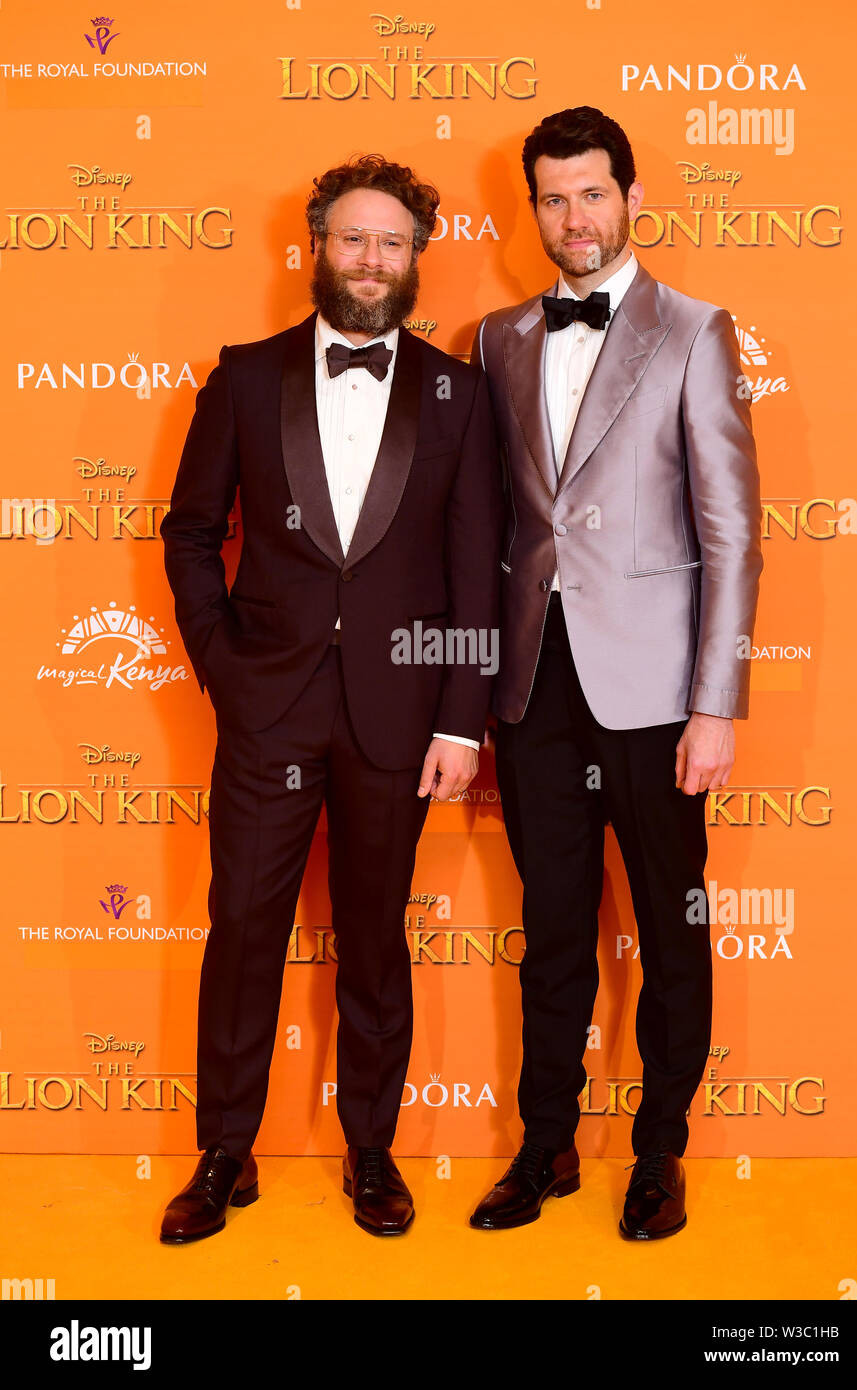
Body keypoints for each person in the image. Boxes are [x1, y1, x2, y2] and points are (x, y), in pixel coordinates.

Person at [158, 153, 502, 1242]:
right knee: (244, 927)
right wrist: (222, 660)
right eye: (351, 238)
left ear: (414, 258)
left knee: (373, 936)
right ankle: (224, 1152)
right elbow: (192, 534)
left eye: (390, 242)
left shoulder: (460, 393)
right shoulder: (247, 377)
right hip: (267, 704)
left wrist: (458, 717)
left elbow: (475, 563)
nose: (369, 259)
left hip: (399, 717)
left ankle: (371, 1152)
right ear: (315, 247)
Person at [469, 107, 762, 1238]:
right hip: (534, 683)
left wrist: (714, 704)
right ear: (531, 207)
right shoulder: (496, 337)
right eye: (552, 197)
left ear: (630, 197)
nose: (572, 217)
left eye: (592, 193)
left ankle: (658, 1153)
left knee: (668, 926)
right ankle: (544, 1148)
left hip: (654, 694)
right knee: (551, 929)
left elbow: (731, 531)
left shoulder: (692, 329)